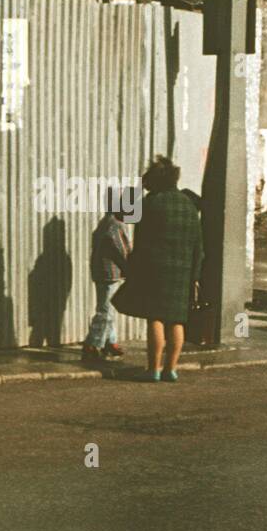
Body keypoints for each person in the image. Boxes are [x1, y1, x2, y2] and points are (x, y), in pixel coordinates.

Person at [113, 156, 204, 382]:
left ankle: (153, 369)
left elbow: (123, 215)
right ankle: (170, 369)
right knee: (177, 320)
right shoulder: (189, 205)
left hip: (155, 269)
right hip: (183, 271)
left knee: (156, 318)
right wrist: (195, 275)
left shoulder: (151, 203)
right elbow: (198, 245)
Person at [80, 191, 132, 364]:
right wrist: (132, 267)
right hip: (110, 273)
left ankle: (110, 341)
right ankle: (91, 344)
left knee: (107, 307)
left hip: (102, 272)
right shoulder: (115, 225)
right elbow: (122, 251)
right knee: (106, 311)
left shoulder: (105, 222)